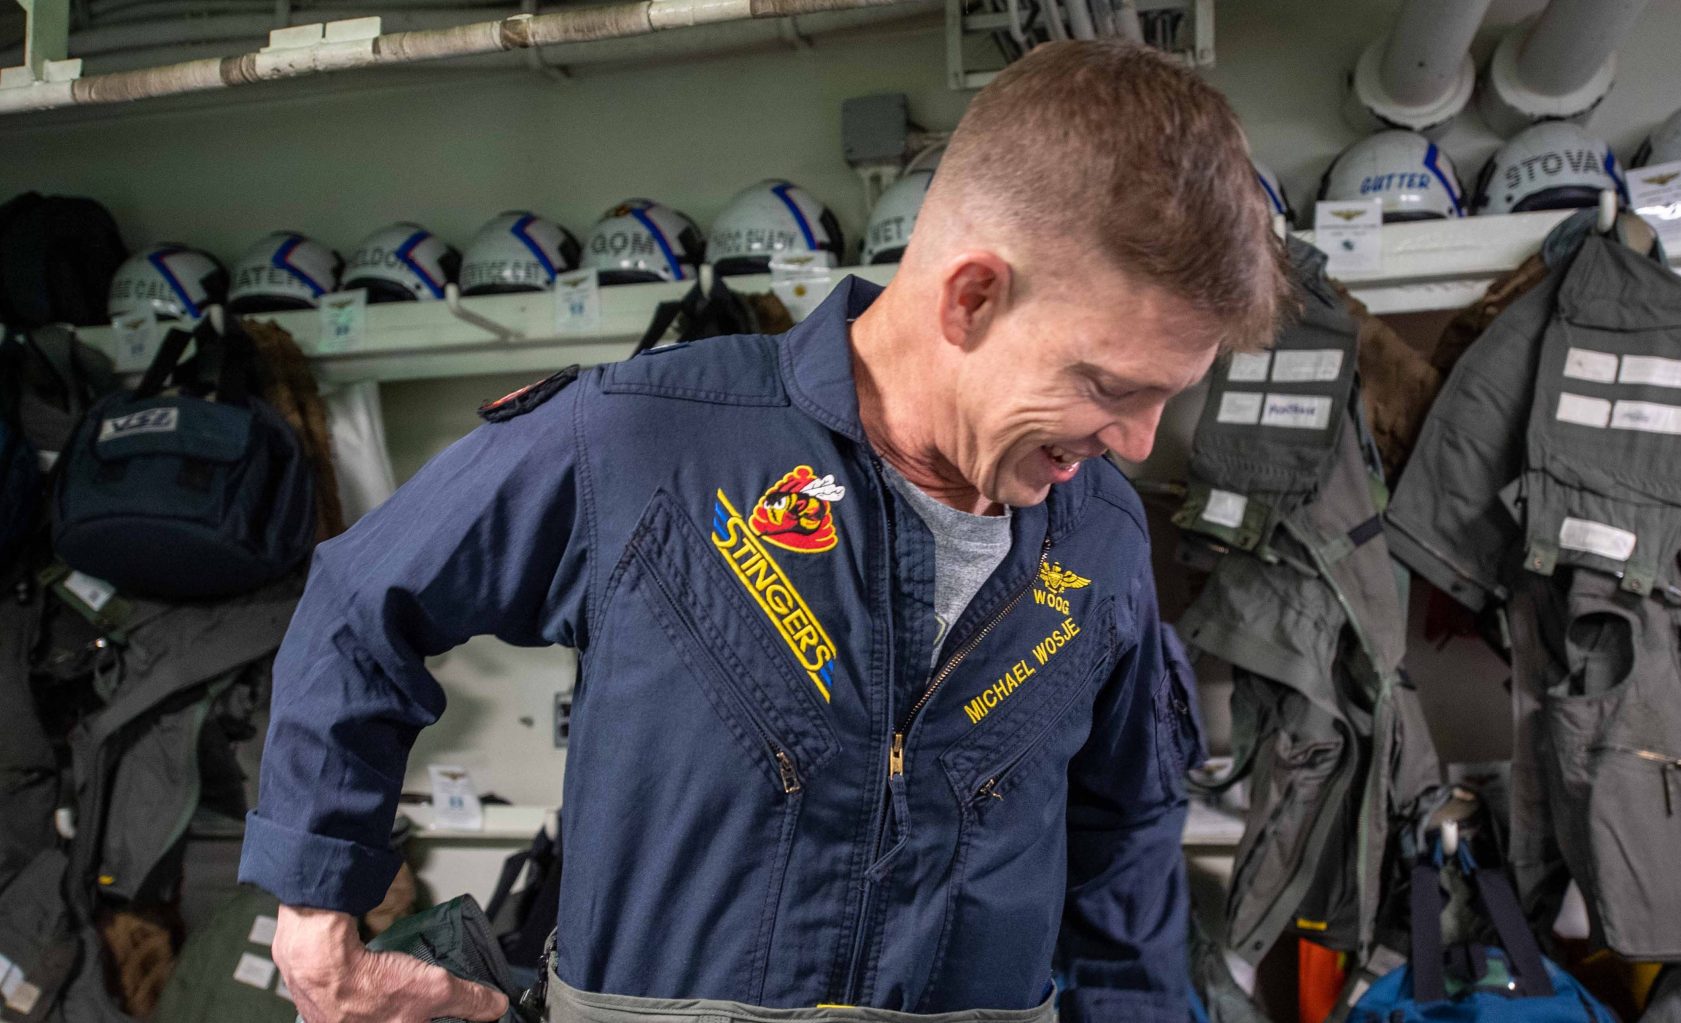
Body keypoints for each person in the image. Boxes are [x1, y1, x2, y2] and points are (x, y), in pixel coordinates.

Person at [243, 39, 1291, 1023]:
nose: (1140, 443)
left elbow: (1123, 848)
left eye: (1168, 398)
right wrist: (318, 923)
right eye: (1109, 386)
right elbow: (359, 603)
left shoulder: (1097, 528)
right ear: (972, 297)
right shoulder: (644, 439)